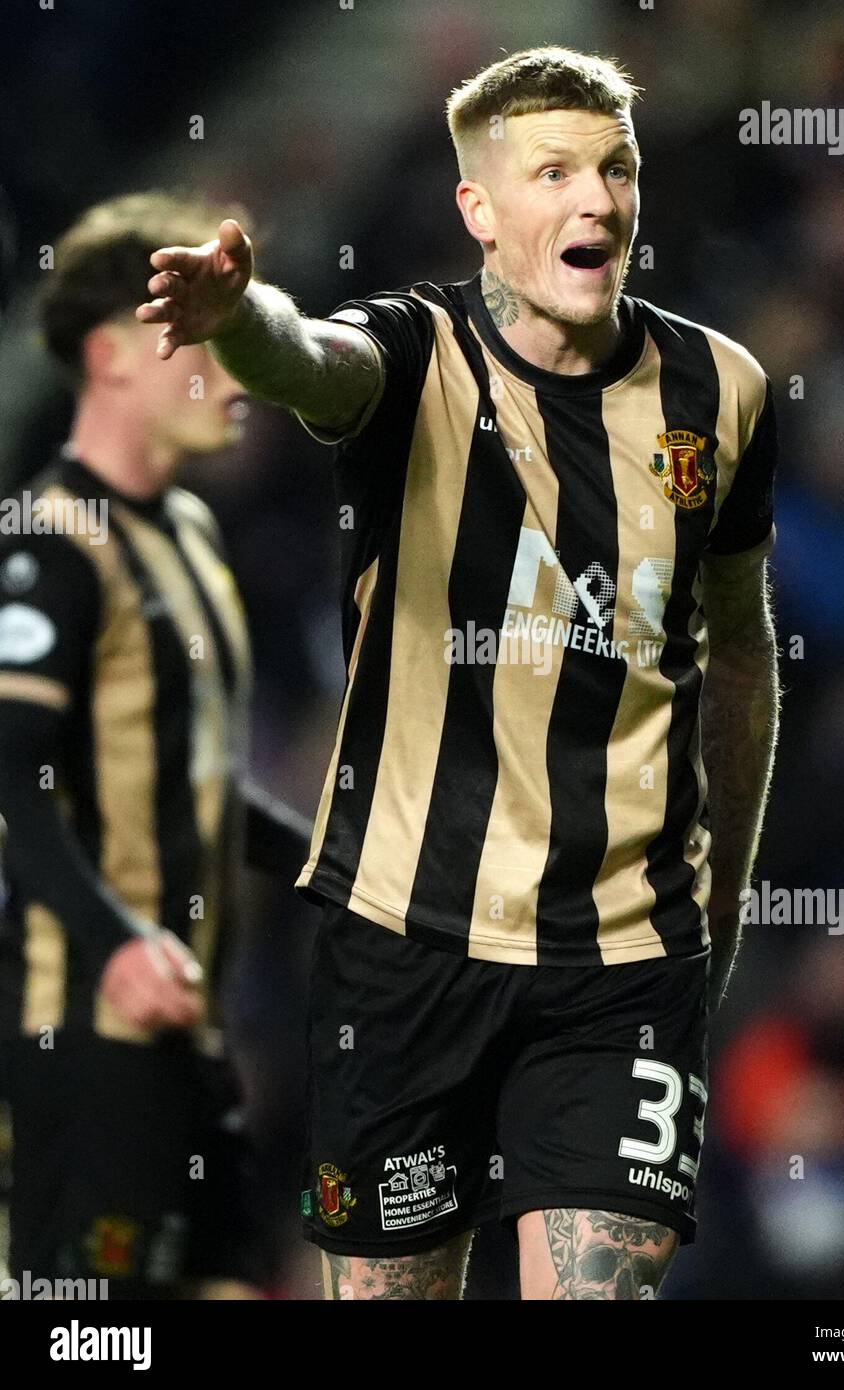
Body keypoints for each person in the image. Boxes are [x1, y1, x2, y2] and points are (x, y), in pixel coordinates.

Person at [137, 47, 780, 1300]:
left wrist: (727, 902)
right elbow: (309, 357)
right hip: (404, 944)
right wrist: (238, 319)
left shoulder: (724, 391)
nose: (595, 200)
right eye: (553, 173)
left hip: (623, 960)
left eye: (615, 169)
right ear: (480, 213)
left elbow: (740, 644)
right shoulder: (416, 353)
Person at [0, 193, 312, 1299]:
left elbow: (204, 782)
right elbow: (14, 782)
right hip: (86, 1039)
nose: (233, 377)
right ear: (109, 356)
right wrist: (120, 940)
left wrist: (342, 873)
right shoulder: (48, 546)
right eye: (199, 344)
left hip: (192, 1035)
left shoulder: (189, 536)